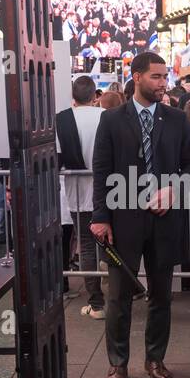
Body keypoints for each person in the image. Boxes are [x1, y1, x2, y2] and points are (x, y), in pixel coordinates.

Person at [91, 52, 190, 378]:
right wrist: (100, 217)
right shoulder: (111, 120)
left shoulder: (177, 119)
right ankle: (118, 364)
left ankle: (155, 359)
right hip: (123, 221)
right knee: (119, 297)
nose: (163, 83)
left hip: (165, 222)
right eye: (156, 76)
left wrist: (173, 190)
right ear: (136, 76)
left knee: (161, 296)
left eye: (165, 77)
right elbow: (102, 171)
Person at [57, 75, 106, 318]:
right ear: (95, 95)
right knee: (108, 243)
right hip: (107, 189)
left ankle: (97, 303)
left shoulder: (62, 120)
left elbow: (56, 159)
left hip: (77, 190)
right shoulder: (105, 116)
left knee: (86, 245)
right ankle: (122, 294)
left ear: (73, 96)